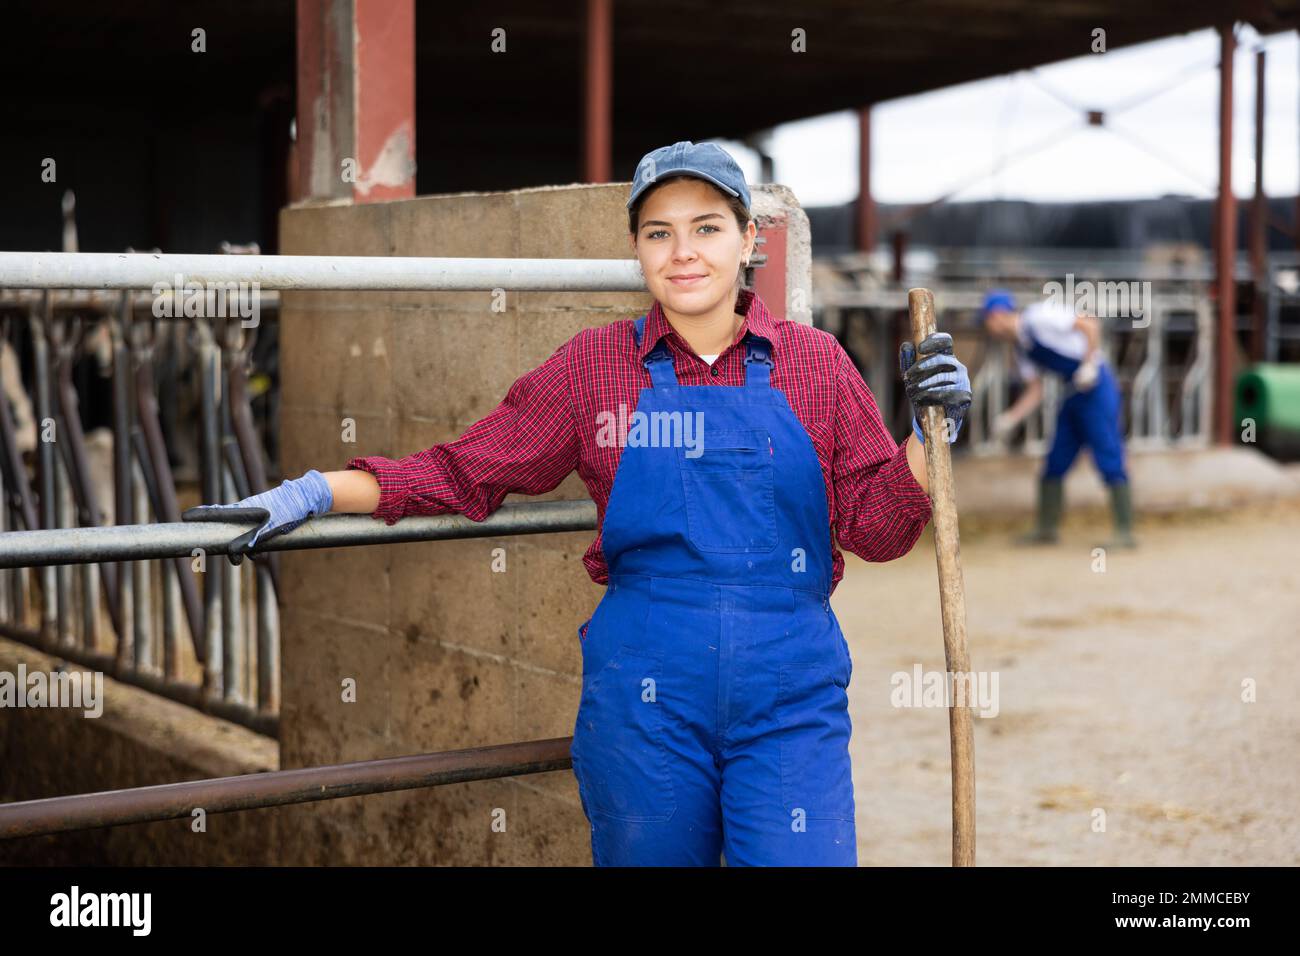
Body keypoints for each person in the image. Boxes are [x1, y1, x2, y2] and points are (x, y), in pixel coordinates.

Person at [184, 140, 973, 866]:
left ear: (747, 240)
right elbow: (464, 471)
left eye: (706, 227)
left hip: (790, 690)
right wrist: (319, 489)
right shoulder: (596, 368)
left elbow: (877, 528)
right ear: (636, 250)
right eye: (659, 233)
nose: (684, 251)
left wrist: (928, 435)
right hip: (646, 695)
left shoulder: (817, 364)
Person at [981, 288, 1136, 548]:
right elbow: (1036, 390)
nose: (989, 329)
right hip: (1073, 391)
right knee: (1056, 459)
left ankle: (1125, 532)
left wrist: (1088, 364)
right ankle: (1046, 529)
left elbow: (1089, 324)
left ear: (996, 316)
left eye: (987, 321)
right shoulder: (1022, 349)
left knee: (1107, 452)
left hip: (1095, 386)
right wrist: (1012, 417)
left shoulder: (1038, 317)